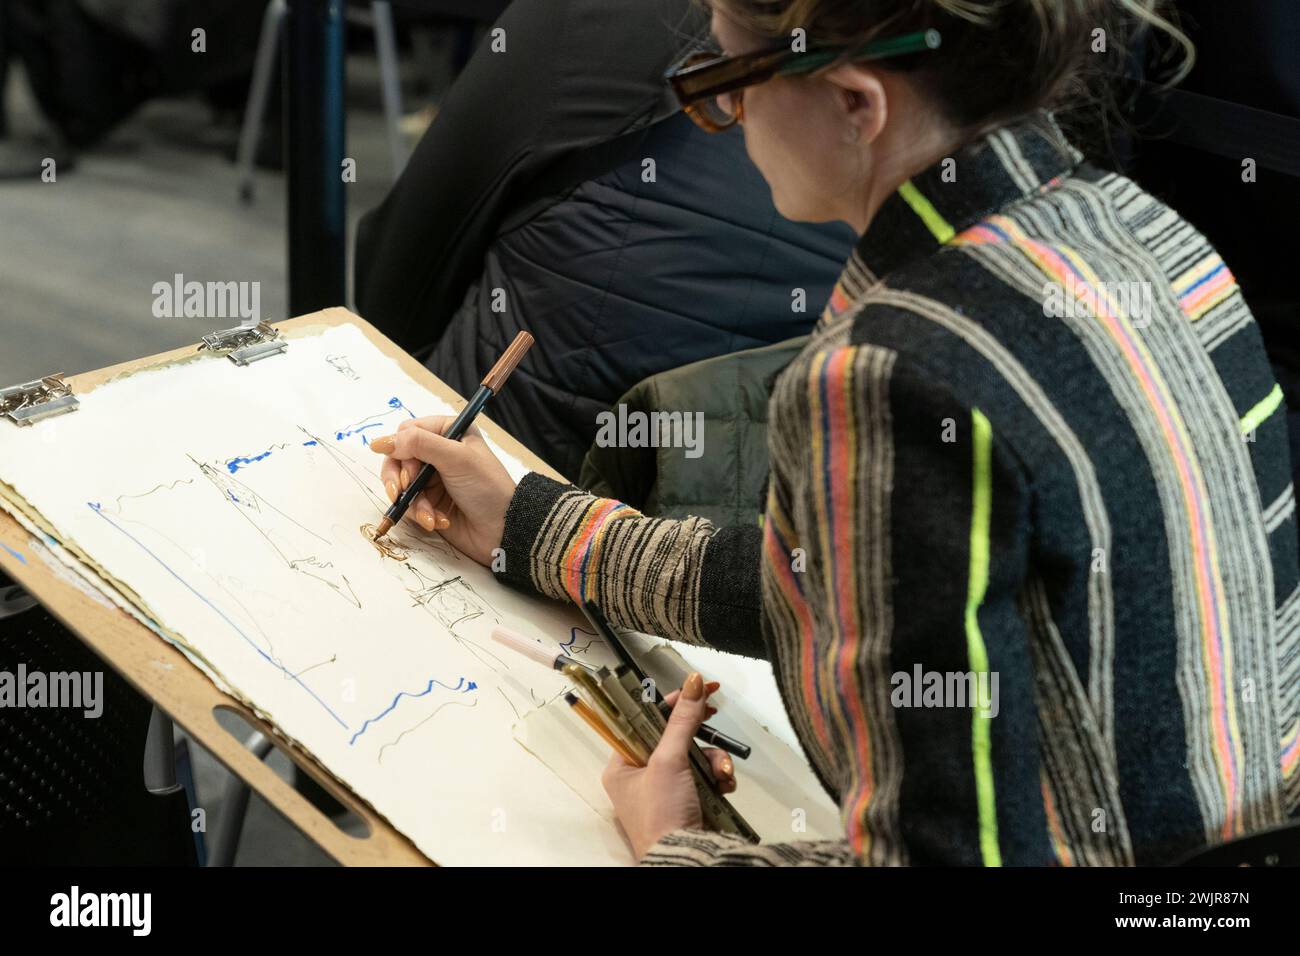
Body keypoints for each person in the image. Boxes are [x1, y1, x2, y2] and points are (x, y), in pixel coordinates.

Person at [367, 0, 1300, 865]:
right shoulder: (1148, 235)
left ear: (857, 103)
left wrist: (677, 848)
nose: (723, 113)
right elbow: (828, 575)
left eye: (727, 82)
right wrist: (534, 527)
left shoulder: (895, 365)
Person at [353, 0, 854, 481]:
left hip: (509, 488)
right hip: (729, 519)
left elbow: (400, 277)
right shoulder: (898, 138)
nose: (724, 106)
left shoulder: (606, 24)